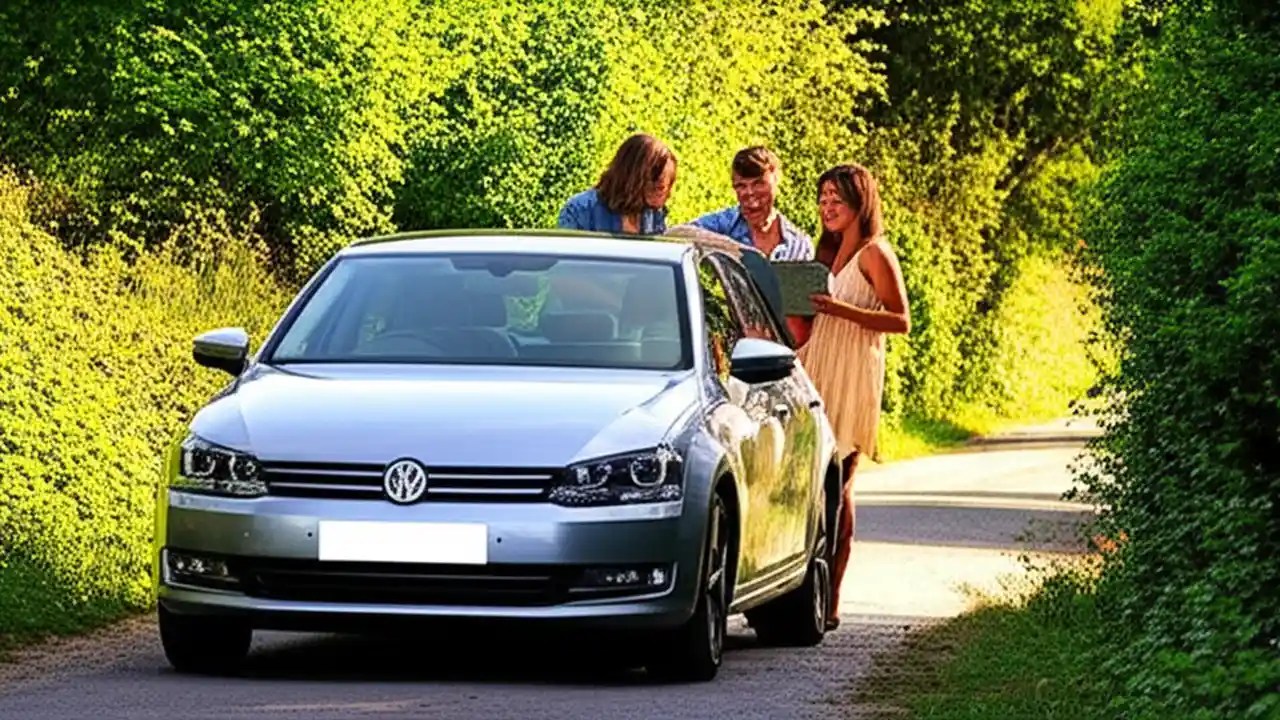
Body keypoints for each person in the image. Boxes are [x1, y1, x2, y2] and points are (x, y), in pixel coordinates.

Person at [796, 163, 910, 630]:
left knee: (839, 484)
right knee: (809, 484)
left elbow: (900, 319)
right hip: (816, 365)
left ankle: (833, 598)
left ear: (859, 203)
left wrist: (842, 309)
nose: (827, 207)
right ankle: (805, 590)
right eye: (822, 198)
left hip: (852, 373)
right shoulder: (826, 251)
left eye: (836, 199)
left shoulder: (874, 252)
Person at [687, 146, 815, 343]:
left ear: (776, 180)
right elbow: (676, 236)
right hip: (728, 348)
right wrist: (731, 250)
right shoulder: (722, 226)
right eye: (741, 186)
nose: (750, 194)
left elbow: (803, 320)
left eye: (758, 183)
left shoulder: (799, 245)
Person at [557, 133, 677, 235]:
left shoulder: (653, 215)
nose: (668, 195)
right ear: (636, 181)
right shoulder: (580, 212)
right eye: (660, 188)